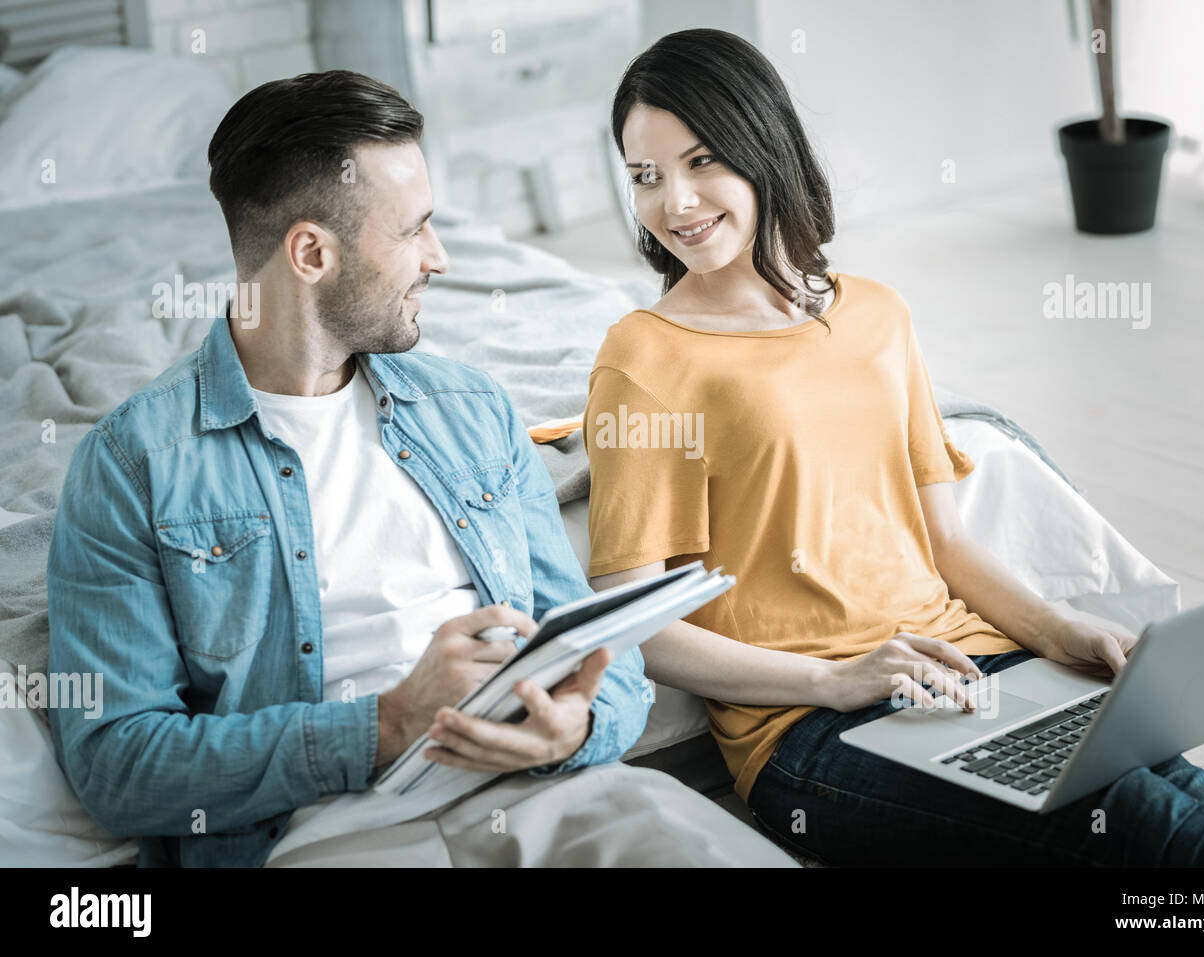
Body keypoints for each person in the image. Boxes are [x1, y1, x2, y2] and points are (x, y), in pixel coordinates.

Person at [583, 28, 1204, 867]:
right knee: (1147, 824)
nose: (675, 201)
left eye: (702, 160)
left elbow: (946, 541)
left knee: (1185, 797)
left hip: (977, 664)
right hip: (814, 728)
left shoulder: (875, 314)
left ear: (762, 147)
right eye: (646, 176)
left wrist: (1061, 627)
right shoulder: (645, 358)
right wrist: (833, 679)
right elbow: (633, 624)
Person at [45, 70, 796, 868]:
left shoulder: (470, 411)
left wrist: (575, 726)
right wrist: (389, 725)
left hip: (555, 791)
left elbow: (604, 658)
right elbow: (118, 765)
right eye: (415, 229)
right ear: (310, 252)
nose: (439, 257)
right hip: (329, 834)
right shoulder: (134, 463)